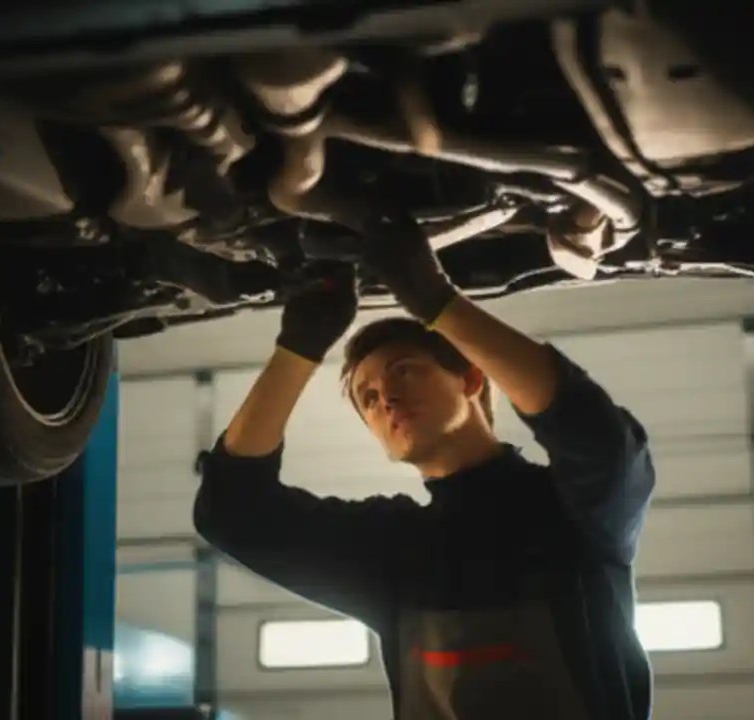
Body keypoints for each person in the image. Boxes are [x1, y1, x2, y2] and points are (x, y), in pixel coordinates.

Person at [193, 212, 657, 719]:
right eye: (367, 398)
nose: (386, 397)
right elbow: (232, 511)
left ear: (471, 380)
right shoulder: (391, 551)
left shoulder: (573, 516)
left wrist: (440, 303)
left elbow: (602, 441)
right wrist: (298, 346)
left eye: (404, 372)